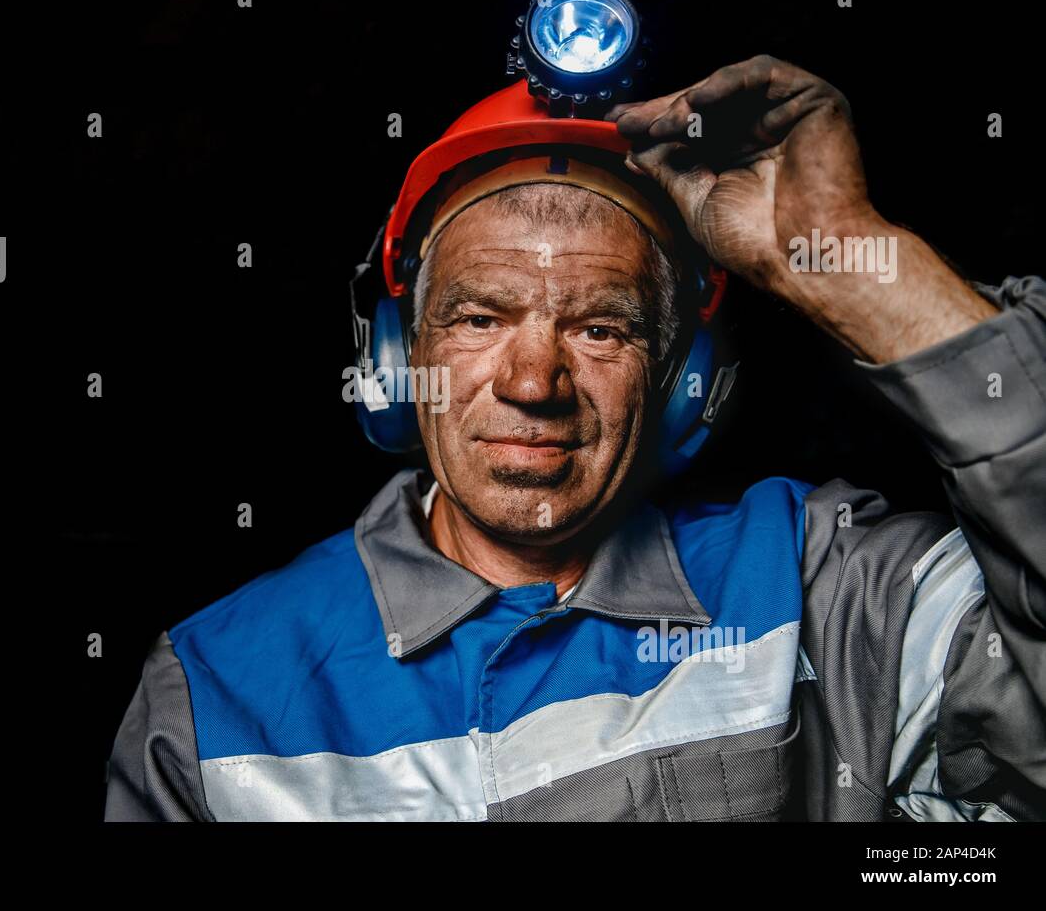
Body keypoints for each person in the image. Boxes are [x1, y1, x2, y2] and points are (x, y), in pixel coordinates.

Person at [106, 55, 1044, 821]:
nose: (531, 383)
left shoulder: (830, 589)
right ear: (397, 358)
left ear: (681, 384)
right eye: (478, 319)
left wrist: (851, 263)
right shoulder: (212, 691)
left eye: (602, 329)